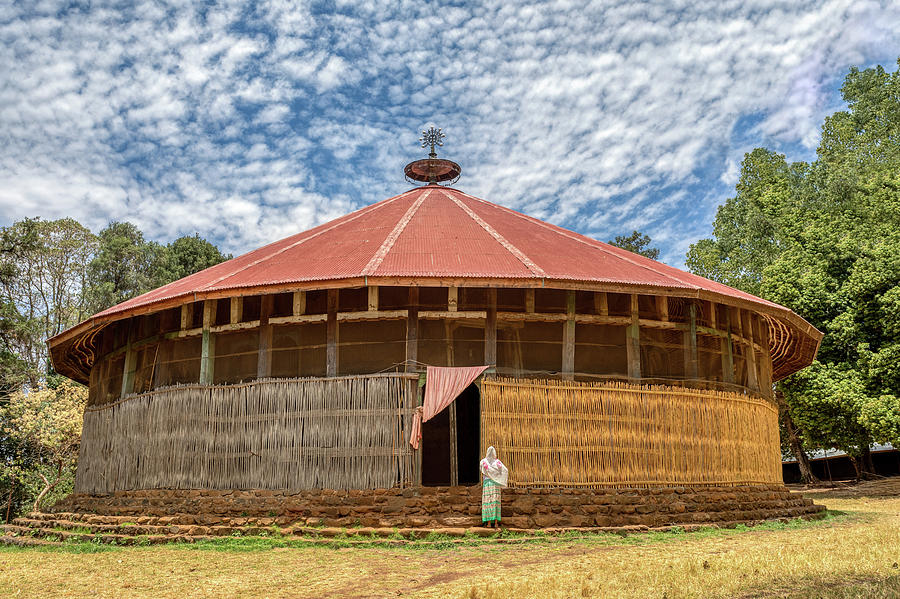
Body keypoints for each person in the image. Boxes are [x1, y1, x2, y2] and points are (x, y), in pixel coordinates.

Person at [479, 446, 509, 528]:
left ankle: (489, 523)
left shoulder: (483, 462)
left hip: (488, 483)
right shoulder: (497, 462)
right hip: (495, 484)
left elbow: (482, 470)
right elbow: (505, 470)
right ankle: (495, 523)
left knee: (488, 501)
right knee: (495, 501)